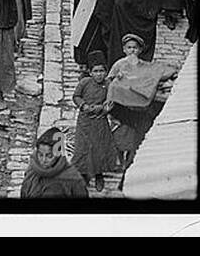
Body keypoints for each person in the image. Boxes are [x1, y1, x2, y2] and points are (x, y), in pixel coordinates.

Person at [105, 35, 177, 185]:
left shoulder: (143, 65)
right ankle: (124, 170)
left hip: (140, 111)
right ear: (124, 50)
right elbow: (110, 82)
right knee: (126, 142)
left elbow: (154, 74)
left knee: (136, 145)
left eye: (135, 48)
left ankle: (128, 177)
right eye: (129, 48)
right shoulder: (120, 65)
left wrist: (169, 74)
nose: (132, 51)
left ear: (140, 50)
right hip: (126, 111)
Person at [72, 52, 119, 191]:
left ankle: (99, 174)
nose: (99, 74)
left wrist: (103, 109)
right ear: (90, 72)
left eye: (102, 71)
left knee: (99, 148)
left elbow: (110, 102)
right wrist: (83, 105)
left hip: (100, 121)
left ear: (106, 71)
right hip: (85, 122)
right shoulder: (84, 83)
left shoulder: (108, 84)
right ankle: (84, 175)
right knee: (84, 148)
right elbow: (76, 96)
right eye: (95, 71)